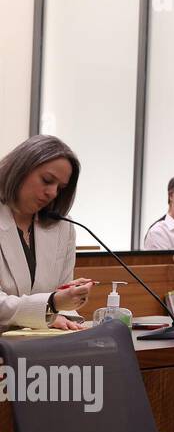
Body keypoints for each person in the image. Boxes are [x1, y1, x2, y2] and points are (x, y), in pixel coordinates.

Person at [0, 135, 93, 331]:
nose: (52, 193)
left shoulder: (62, 227)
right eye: (47, 180)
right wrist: (50, 306)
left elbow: (61, 296)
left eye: (60, 188)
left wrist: (70, 302)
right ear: (20, 169)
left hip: (42, 345)